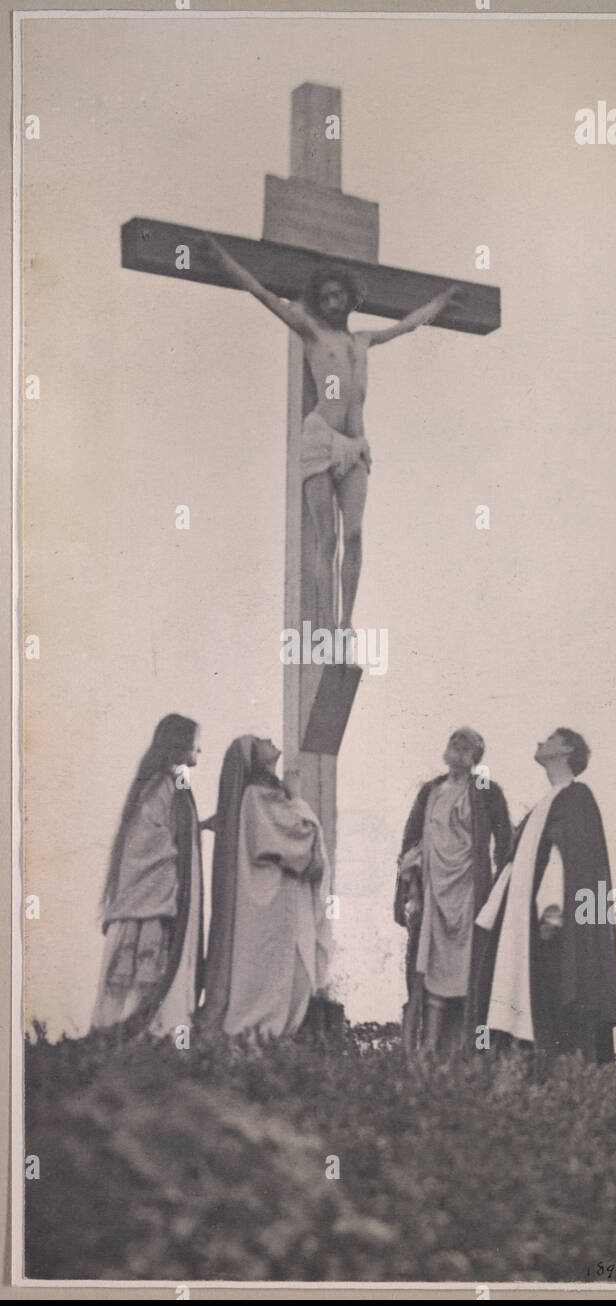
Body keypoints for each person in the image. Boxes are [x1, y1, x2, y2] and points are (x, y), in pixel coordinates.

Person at [202, 233, 461, 634]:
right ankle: (325, 623)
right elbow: (263, 294)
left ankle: (346, 621)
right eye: (324, 298)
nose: (332, 303)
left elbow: (408, 325)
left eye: (338, 296)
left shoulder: (363, 340)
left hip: (355, 447)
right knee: (329, 538)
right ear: (317, 302)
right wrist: (221, 259)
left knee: (354, 535)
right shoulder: (312, 334)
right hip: (320, 438)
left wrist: (442, 302)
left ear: (349, 298)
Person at [471, 729, 616, 1064]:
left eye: (551, 738)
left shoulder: (576, 798)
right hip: (519, 923)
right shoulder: (544, 804)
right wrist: (490, 912)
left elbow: (563, 859)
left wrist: (553, 912)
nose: (539, 741)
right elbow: (515, 866)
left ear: (567, 749)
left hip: (548, 925)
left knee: (551, 990)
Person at [198, 735, 333, 1040]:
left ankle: (269, 1036)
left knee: (294, 974)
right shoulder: (259, 796)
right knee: (288, 975)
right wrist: (297, 799)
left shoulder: (262, 796)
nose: (269, 739)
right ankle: (263, 1036)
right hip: (274, 905)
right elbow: (300, 837)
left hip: (279, 899)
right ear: (253, 758)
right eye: (260, 741)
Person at [394, 728, 512, 1056]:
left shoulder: (487, 789)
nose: (458, 750)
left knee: (468, 967)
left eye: (467, 746)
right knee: (429, 963)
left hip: (470, 891)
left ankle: (462, 1051)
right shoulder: (430, 790)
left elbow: (505, 841)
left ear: (476, 756)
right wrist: (411, 887)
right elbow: (412, 840)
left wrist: (499, 890)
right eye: (454, 743)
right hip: (433, 889)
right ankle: (426, 1046)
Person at [90, 714, 204, 1039]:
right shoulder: (161, 785)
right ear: (179, 744)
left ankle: (144, 1043)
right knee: (139, 978)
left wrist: (200, 827)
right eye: (195, 743)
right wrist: (175, 858)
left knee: (148, 974)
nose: (200, 749)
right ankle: (130, 1042)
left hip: (159, 896)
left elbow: (183, 828)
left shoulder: (174, 781)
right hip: (151, 897)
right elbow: (146, 839)